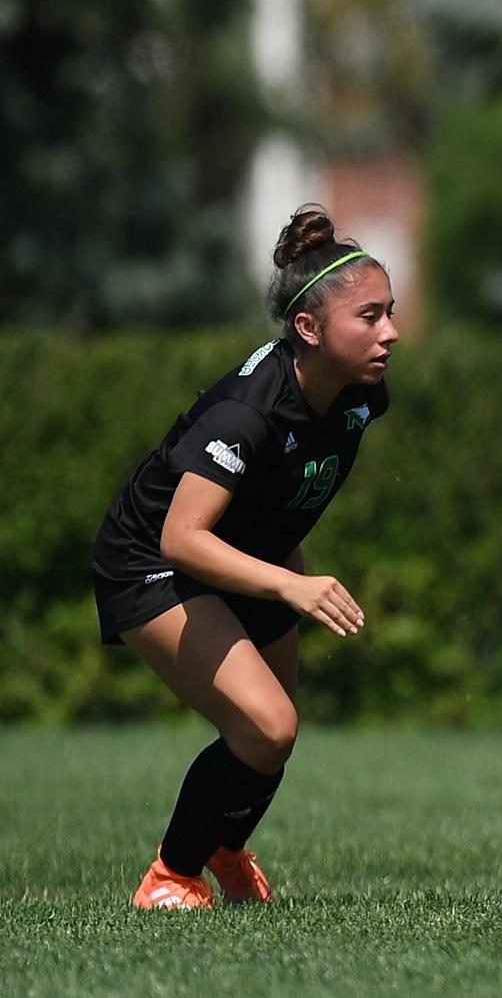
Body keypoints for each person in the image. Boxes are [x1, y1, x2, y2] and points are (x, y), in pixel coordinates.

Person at [94, 206, 397, 908]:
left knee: (272, 734)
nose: (391, 332)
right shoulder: (247, 413)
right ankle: (169, 877)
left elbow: (281, 486)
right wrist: (292, 586)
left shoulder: (361, 392)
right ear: (309, 329)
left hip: (247, 552)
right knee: (267, 723)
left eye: (390, 312)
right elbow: (181, 538)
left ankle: (224, 851)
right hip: (151, 559)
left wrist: (282, 559)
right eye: (371, 316)